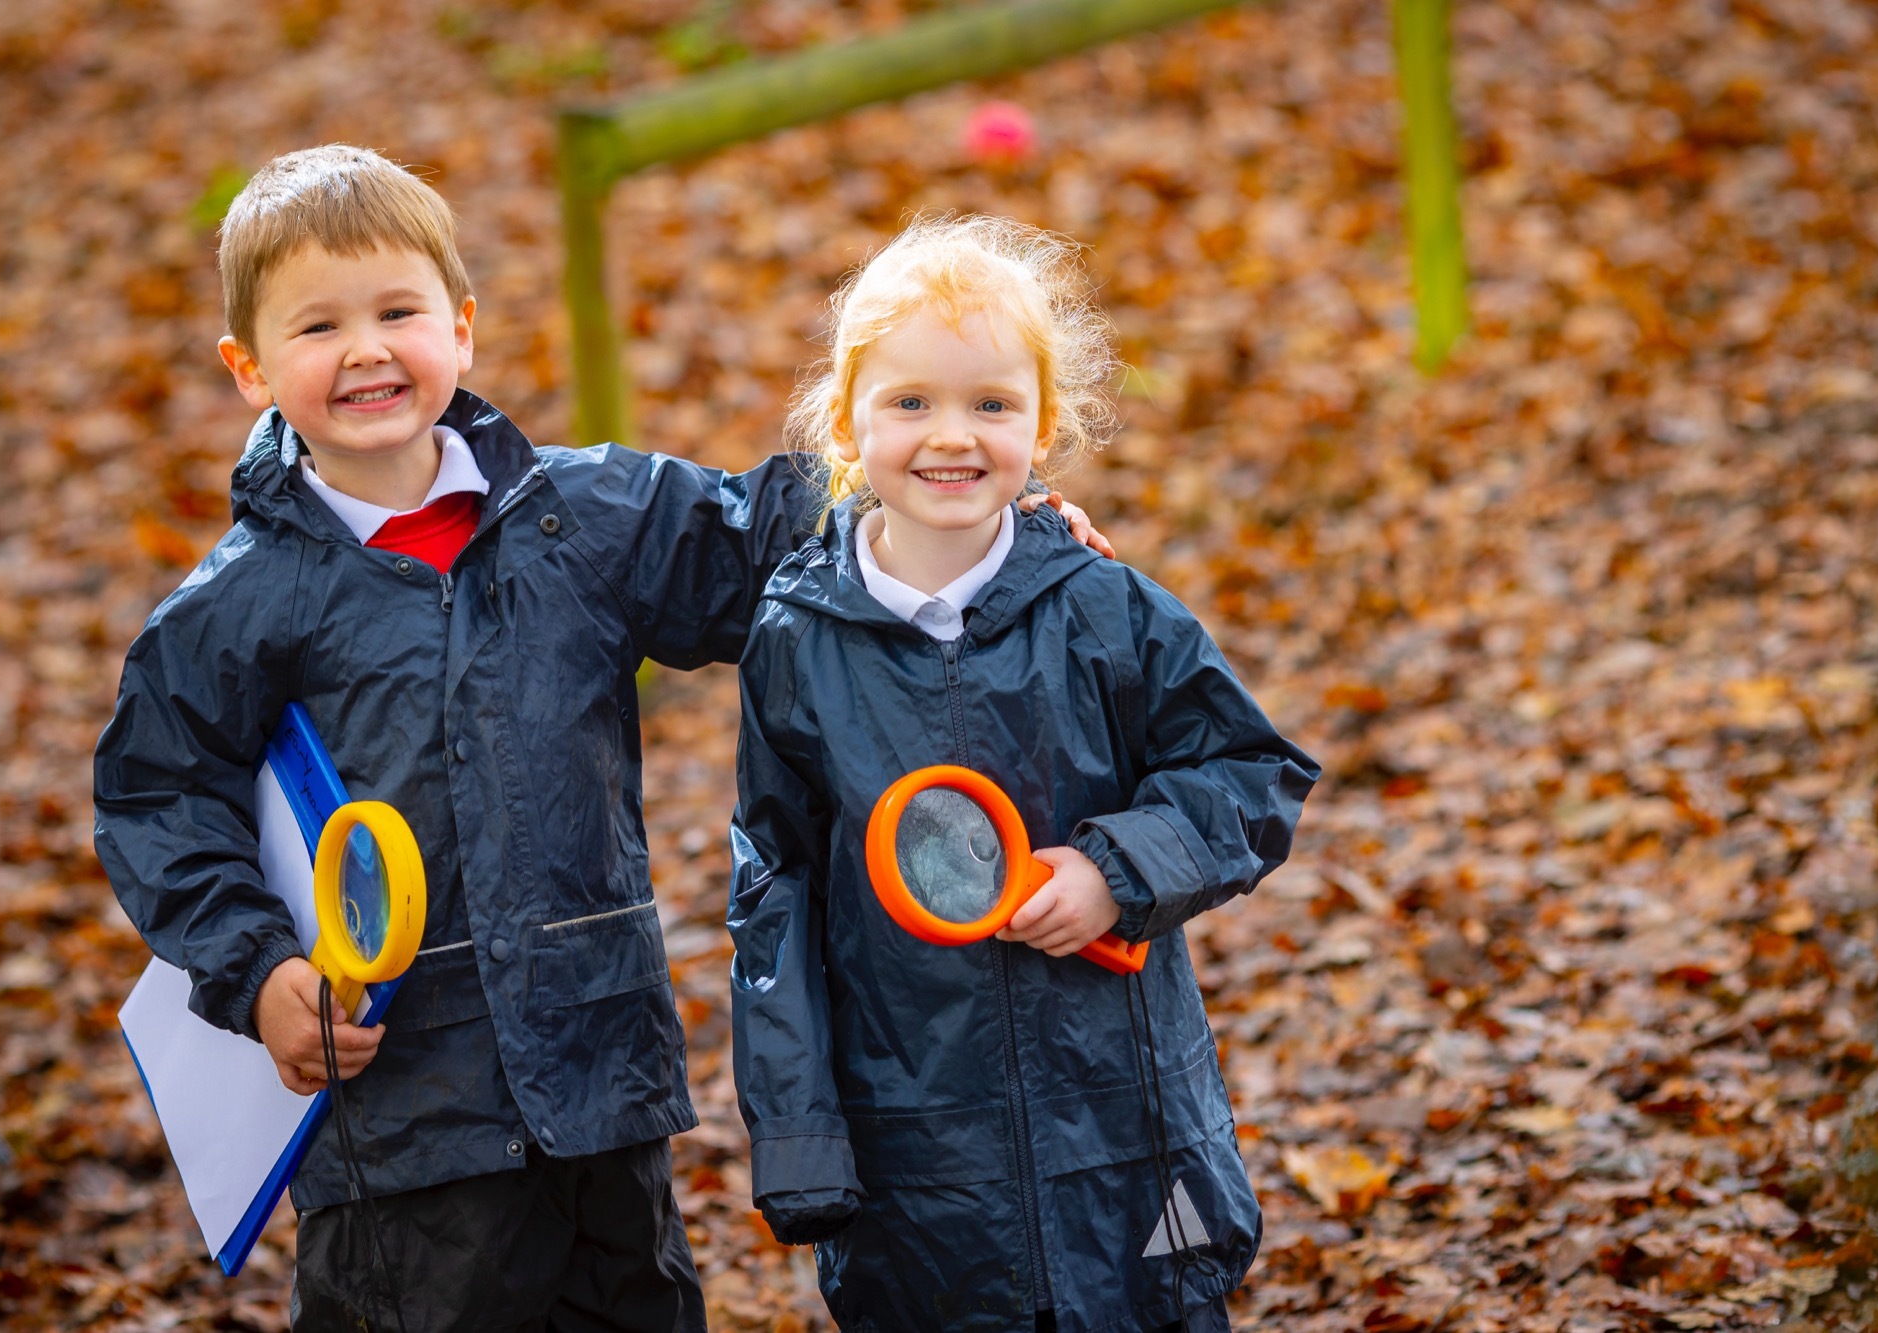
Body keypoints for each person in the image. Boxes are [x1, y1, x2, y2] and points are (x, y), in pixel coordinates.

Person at [92, 147, 1100, 1331]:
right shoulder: (236, 606)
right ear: (249, 368)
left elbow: (755, 540)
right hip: (405, 1118)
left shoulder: (579, 517)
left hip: (599, 1073)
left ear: (460, 329)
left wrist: (961, 518)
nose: (366, 349)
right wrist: (258, 969)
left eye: (398, 312)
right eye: (319, 326)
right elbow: (161, 796)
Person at [728, 215, 1321, 1332]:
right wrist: (801, 1137)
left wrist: (1114, 870)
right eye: (909, 402)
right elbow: (775, 887)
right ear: (847, 423)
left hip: (1126, 1125)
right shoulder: (798, 639)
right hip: (917, 1139)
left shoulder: (1102, 608)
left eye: (990, 404)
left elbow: (1251, 770)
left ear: (1042, 422)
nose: (949, 435)